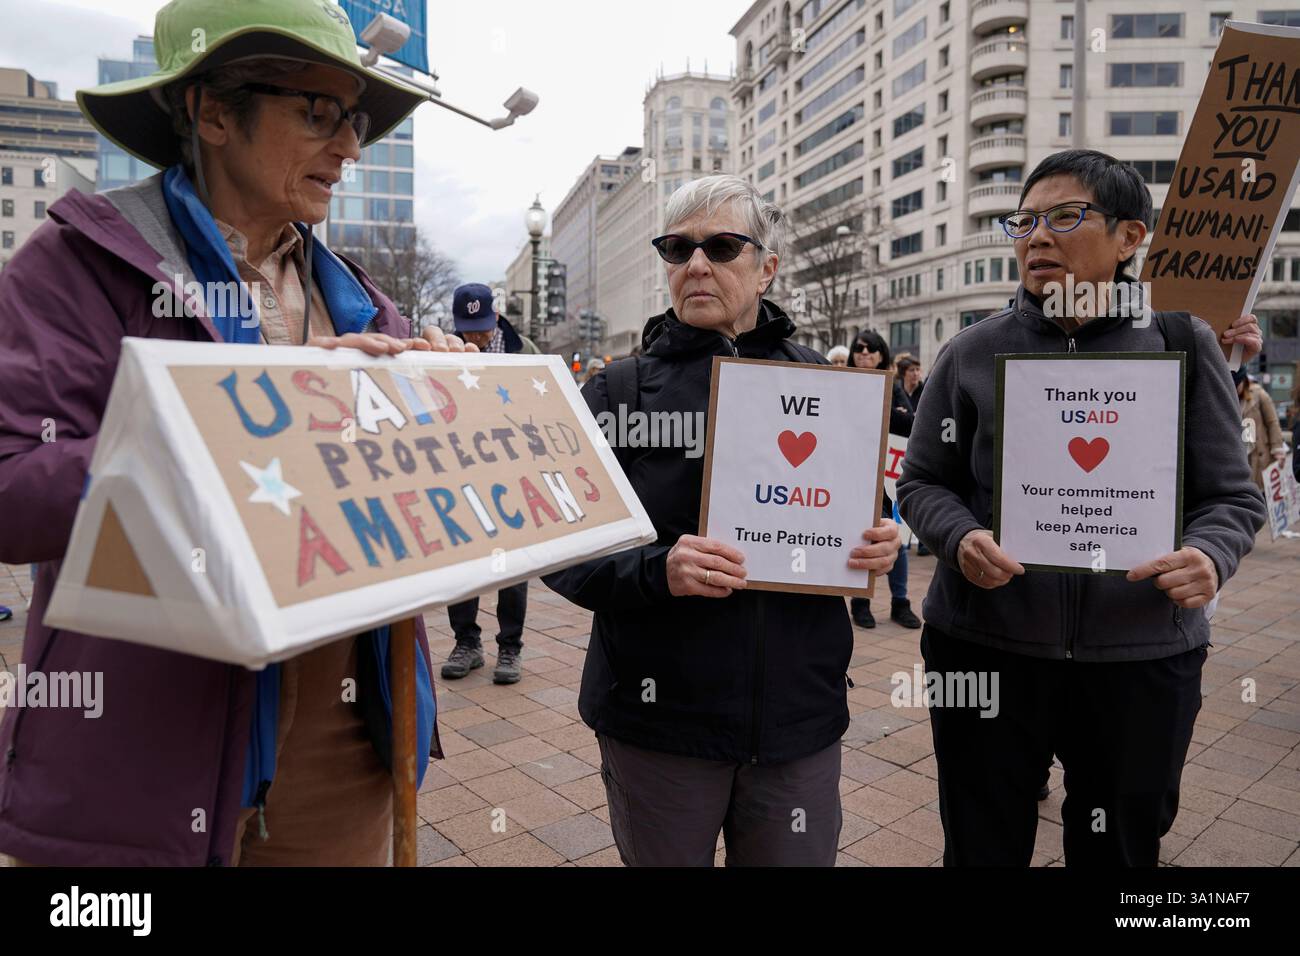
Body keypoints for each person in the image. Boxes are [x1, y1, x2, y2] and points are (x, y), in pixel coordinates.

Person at [0, 0, 478, 866]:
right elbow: (10, 493)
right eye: (317, 111)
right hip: (145, 743)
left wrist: (446, 398)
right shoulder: (74, 267)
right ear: (212, 112)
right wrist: (260, 406)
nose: (349, 149)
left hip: (345, 738)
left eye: (356, 119)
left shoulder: (363, 302)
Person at [898, 148, 1267, 867]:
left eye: (1066, 216)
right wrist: (960, 536)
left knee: (1122, 847)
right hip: (986, 647)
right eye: (1025, 220)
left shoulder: (1181, 342)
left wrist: (1210, 556)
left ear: (1130, 237)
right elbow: (921, 481)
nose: (1037, 236)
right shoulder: (971, 351)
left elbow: (1231, 494)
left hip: (1141, 654)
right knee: (980, 842)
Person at [542, 175, 902, 866]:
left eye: (722, 245)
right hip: (659, 725)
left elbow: (858, 515)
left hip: (798, 722)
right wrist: (658, 570)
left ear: (767, 266)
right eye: (677, 249)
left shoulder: (830, 389)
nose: (696, 264)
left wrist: (877, 541)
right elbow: (559, 545)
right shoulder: (617, 391)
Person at [441, 283, 534, 685]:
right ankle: (468, 642)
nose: (474, 337)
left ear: (495, 317)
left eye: (480, 327)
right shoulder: (447, 350)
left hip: (512, 470)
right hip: (462, 470)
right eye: (468, 328)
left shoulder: (524, 351)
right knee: (464, 560)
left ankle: (510, 648)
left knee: (512, 563)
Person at [847, 331, 921, 629]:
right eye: (859, 349)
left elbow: (909, 423)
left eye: (871, 349)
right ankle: (860, 602)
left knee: (895, 541)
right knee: (860, 539)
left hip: (887, 476)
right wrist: (890, 412)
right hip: (852, 473)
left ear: (882, 355)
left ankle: (900, 602)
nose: (864, 353)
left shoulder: (891, 383)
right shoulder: (845, 383)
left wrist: (879, 410)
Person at [1236, 367, 1287, 492]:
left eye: (1237, 384)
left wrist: (1277, 448)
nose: (1234, 388)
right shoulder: (1228, 397)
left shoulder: (1259, 394)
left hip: (1260, 452)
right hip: (1240, 454)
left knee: (1262, 490)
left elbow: (1272, 422)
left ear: (1244, 381)